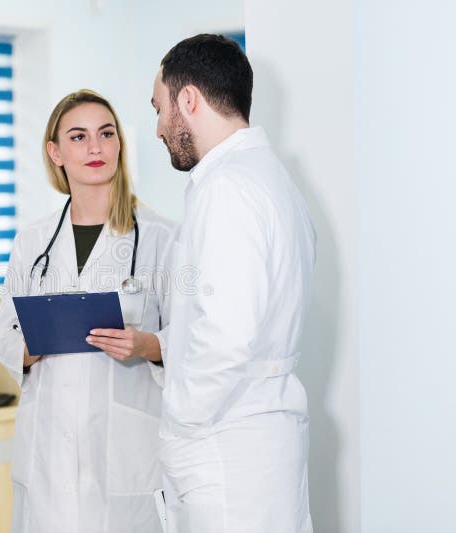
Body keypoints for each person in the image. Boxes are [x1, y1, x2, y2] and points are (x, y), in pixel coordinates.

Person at [0, 89, 177, 533]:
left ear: (119, 145)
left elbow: (191, 339)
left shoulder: (162, 238)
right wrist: (31, 345)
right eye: (78, 137)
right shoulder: (32, 242)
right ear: (55, 152)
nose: (95, 147)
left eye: (105, 133)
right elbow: (4, 337)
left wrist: (149, 344)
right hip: (48, 457)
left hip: (126, 454)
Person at [151, 34, 316, 533]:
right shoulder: (270, 179)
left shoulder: (226, 188)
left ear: (188, 100)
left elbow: (225, 335)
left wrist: (179, 420)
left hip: (227, 447)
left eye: (159, 108)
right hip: (259, 439)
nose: (158, 128)